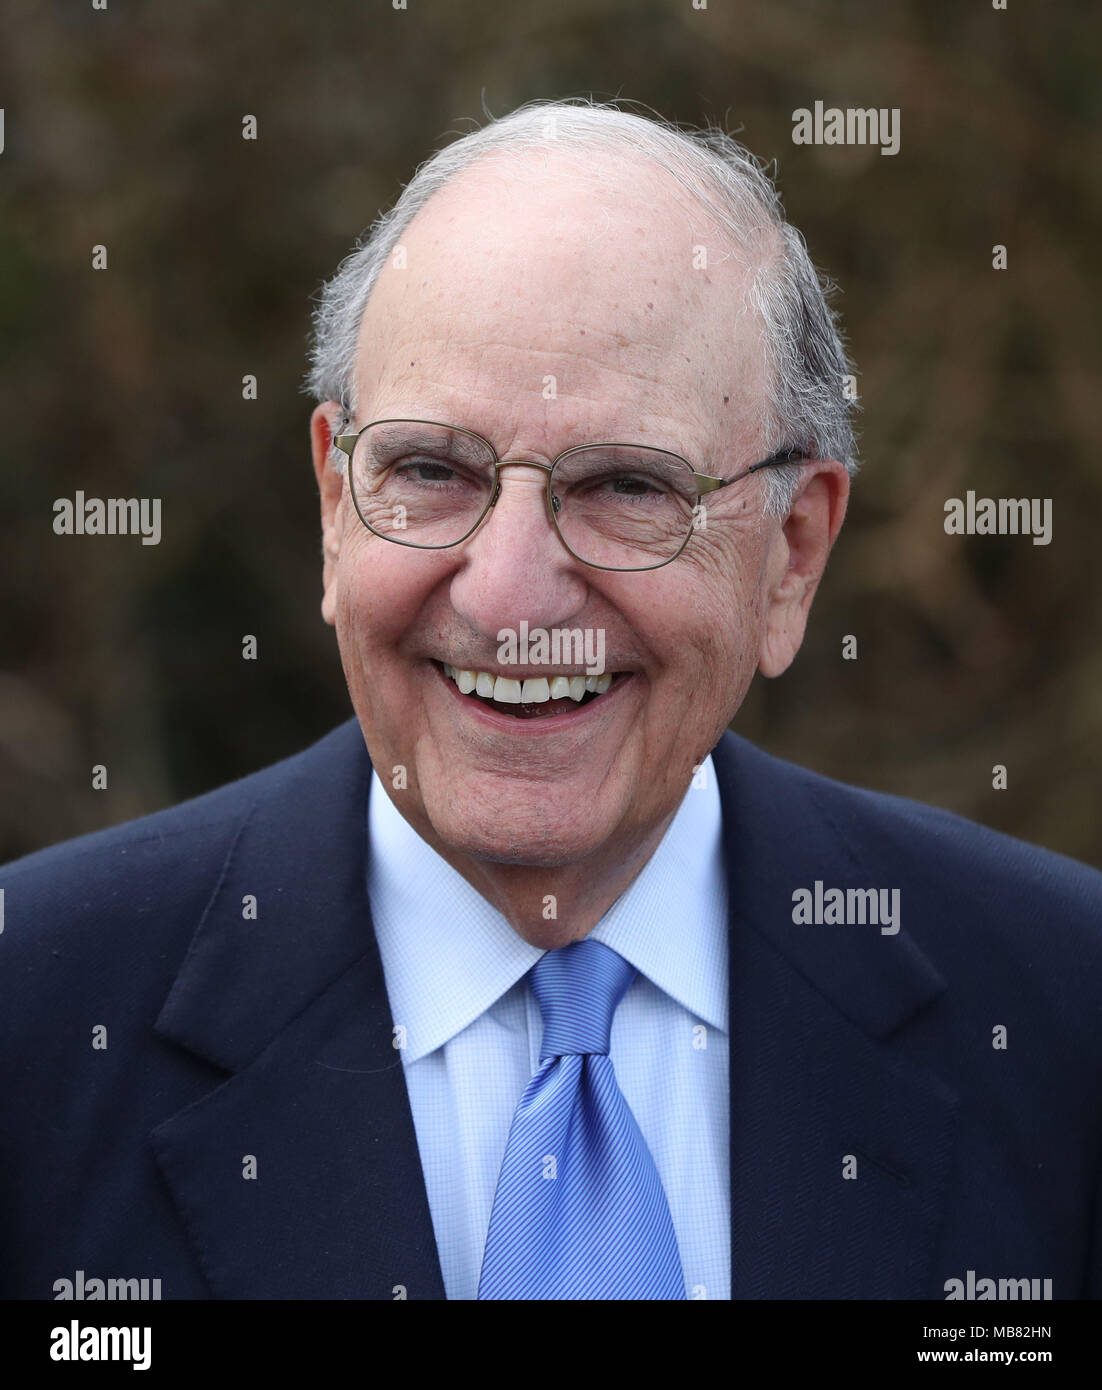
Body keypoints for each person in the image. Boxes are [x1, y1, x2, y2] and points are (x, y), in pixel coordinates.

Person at [2, 99, 1100, 1302]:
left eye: (625, 485)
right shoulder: (37, 1019)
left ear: (790, 554)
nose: (513, 589)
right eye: (430, 470)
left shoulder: (1059, 1013)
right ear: (332, 505)